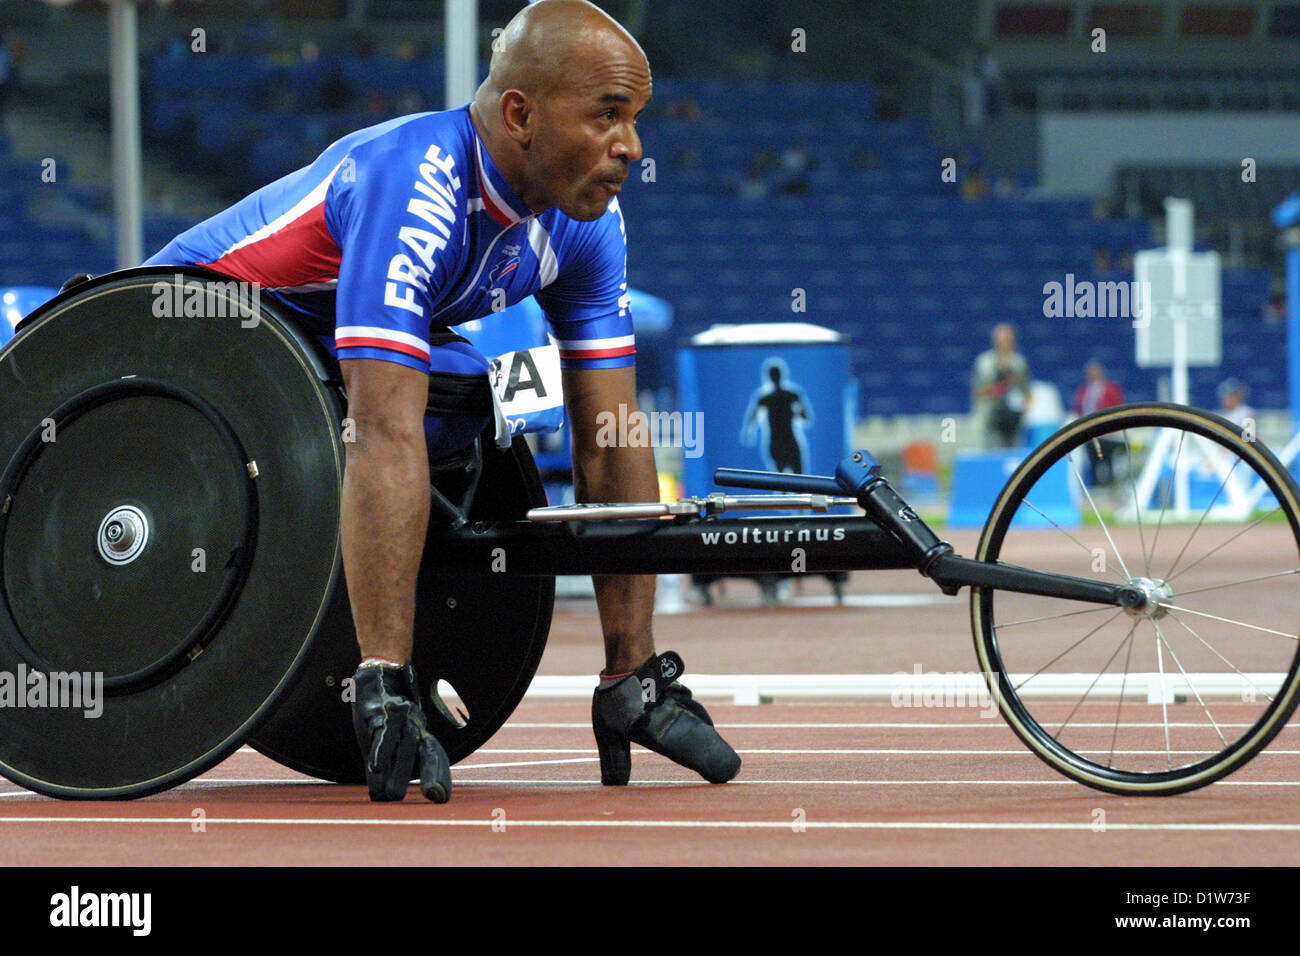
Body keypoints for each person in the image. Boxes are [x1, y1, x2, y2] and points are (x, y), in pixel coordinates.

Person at [143, 0, 739, 802]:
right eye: (606, 116)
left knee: (470, 395)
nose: (630, 146)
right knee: (410, 406)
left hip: (315, 335)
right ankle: (379, 670)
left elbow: (609, 430)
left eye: (633, 119)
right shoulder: (417, 181)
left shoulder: (585, 224)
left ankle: (633, 685)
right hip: (188, 335)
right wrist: (383, 681)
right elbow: (382, 429)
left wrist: (628, 660)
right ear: (521, 114)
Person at [971, 323, 1030, 448]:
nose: (1004, 343)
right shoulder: (984, 362)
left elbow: (1027, 392)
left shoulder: (1019, 363)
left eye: (1007, 339)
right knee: (992, 452)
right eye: (1001, 340)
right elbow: (976, 392)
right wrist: (996, 388)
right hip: (990, 417)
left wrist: (1023, 410)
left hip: (1014, 419)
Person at [1072, 360, 1126, 485]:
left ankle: (1109, 485)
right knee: (1093, 461)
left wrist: (1114, 428)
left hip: (1107, 433)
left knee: (1107, 461)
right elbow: (1078, 408)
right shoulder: (1084, 390)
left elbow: (1117, 408)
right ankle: (1096, 485)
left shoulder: (1111, 389)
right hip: (1089, 433)